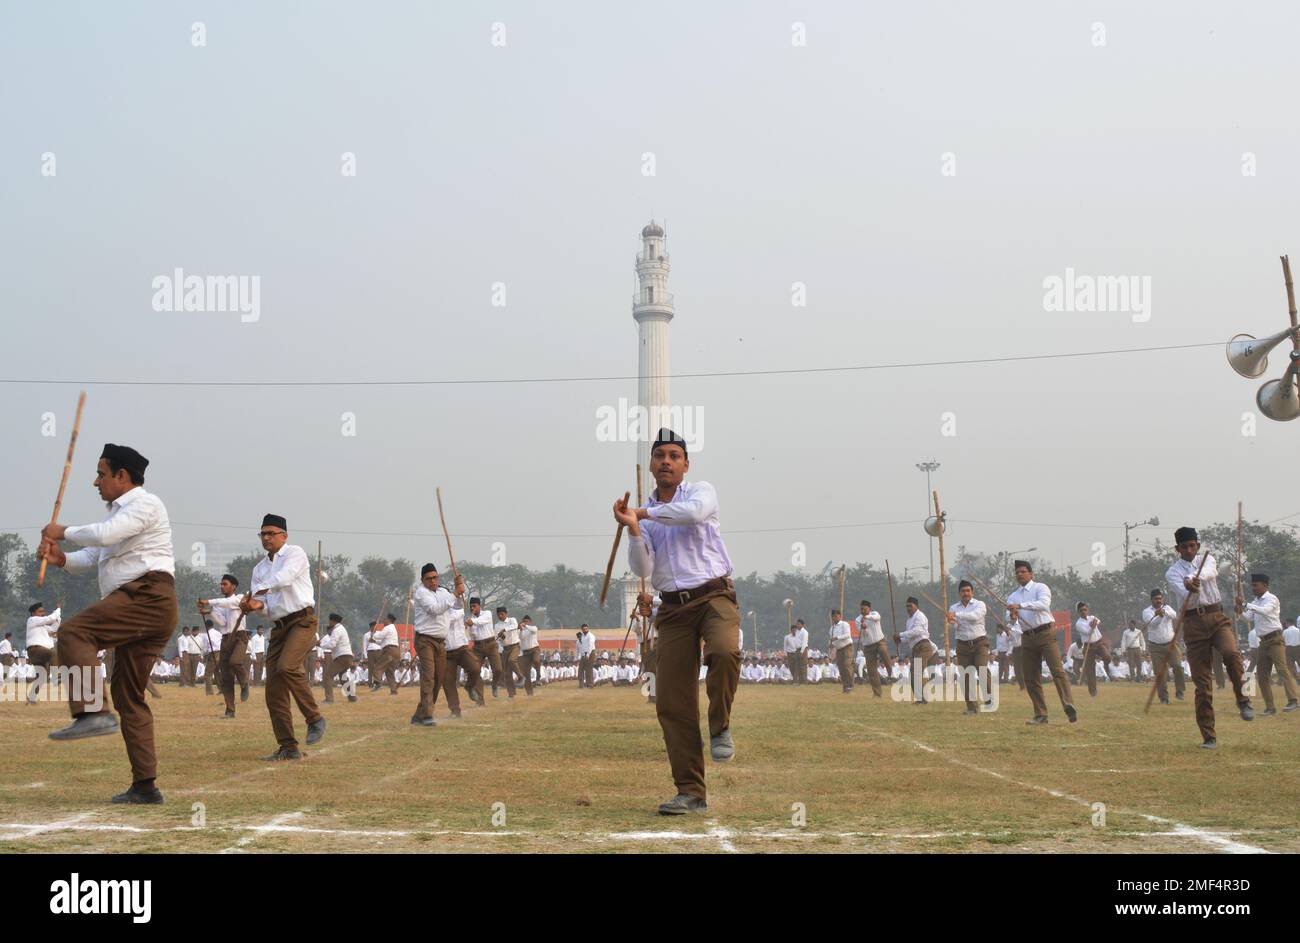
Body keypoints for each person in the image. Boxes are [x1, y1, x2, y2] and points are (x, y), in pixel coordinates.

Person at [36, 443, 179, 804]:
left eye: (101, 474)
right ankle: (146, 787)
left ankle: (92, 712)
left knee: (73, 632)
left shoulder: (146, 504)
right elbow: (95, 554)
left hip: (146, 597)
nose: (95, 482)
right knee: (129, 697)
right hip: (142, 603)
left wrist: (61, 529)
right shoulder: (119, 515)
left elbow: (102, 535)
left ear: (122, 476)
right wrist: (60, 557)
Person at [616, 427, 741, 816]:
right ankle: (691, 791)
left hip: (713, 596)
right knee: (672, 702)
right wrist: (635, 529)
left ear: (686, 465)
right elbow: (643, 567)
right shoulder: (646, 517)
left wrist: (642, 512)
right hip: (672, 609)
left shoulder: (702, 492)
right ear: (652, 465)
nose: (666, 462)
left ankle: (719, 724)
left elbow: (693, 515)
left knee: (724, 651)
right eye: (660, 456)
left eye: (674, 456)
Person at [240, 514, 326, 761]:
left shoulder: (295, 554)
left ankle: (315, 718)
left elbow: (283, 579)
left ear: (284, 536)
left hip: (302, 620)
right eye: (262, 534)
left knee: (287, 666)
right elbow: (266, 605)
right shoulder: (259, 569)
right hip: (279, 627)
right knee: (274, 691)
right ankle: (288, 747)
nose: (266, 538)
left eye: (271, 533)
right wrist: (254, 606)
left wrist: (256, 592)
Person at [1164, 526, 1252, 749]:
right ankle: (1208, 736)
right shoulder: (1172, 572)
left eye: (1192, 545)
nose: (1189, 550)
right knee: (1202, 684)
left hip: (1216, 616)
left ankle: (1243, 699)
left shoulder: (1208, 560)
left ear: (1198, 546)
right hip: (1193, 624)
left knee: (1232, 653)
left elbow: (1209, 573)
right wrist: (1187, 585)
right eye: (1184, 547)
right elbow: (1183, 592)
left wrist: (1194, 578)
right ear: (1178, 549)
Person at [1006, 561, 1076, 725]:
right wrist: (1012, 617)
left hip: (1045, 633)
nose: (1020, 574)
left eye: (1023, 571)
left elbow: (1044, 604)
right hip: (1027, 637)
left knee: (1057, 670)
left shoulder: (1040, 588)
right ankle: (1040, 714)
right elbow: (1009, 620)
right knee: (1031, 677)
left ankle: (1068, 704)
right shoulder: (1012, 596)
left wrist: (1021, 606)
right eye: (1017, 572)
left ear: (1031, 574)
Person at [410, 563, 466, 725]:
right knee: (429, 677)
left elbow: (459, 606)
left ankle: (419, 715)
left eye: (435, 577)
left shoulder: (443, 592)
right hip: (425, 640)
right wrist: (455, 592)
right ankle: (427, 715)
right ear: (422, 580)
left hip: (441, 641)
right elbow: (435, 609)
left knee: (438, 678)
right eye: (429, 579)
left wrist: (460, 589)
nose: (433, 581)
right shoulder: (421, 593)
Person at [1239, 573, 1298, 715]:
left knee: (1282, 669)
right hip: (1263, 642)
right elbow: (1249, 618)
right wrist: (1239, 611)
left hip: (1275, 639)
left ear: (1265, 585)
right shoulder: (1256, 601)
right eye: (1252, 585)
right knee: (1262, 675)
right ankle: (1270, 707)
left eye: (1255, 585)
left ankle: (1293, 701)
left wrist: (1245, 604)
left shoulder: (1272, 599)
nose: (1253, 588)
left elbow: (1265, 611)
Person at [198, 574, 252, 718]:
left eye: (225, 584)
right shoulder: (222, 605)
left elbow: (227, 603)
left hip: (240, 636)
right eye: (221, 584)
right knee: (226, 677)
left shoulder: (239, 598)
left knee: (235, 662)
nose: (222, 586)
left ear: (233, 586)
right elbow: (222, 623)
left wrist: (208, 602)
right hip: (226, 638)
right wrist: (209, 613)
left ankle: (244, 682)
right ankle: (230, 709)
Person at [947, 580, 990, 714]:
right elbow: (952, 626)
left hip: (979, 643)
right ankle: (971, 707)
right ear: (959, 593)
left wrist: (957, 615)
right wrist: (952, 622)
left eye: (968, 591)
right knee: (965, 675)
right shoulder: (953, 607)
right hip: (962, 644)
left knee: (982, 669)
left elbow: (975, 617)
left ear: (972, 592)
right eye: (963, 591)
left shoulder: (980, 605)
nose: (965, 593)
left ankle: (989, 697)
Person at [1143, 590, 1185, 704]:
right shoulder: (1146, 611)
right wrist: (1159, 616)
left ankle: (1180, 691)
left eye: (1160, 598)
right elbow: (1153, 624)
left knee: (1178, 666)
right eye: (1156, 599)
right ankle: (1164, 698)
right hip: (1155, 646)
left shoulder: (1167, 607)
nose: (1159, 601)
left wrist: (1163, 612)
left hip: (1171, 643)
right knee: (1160, 673)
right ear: (1151, 600)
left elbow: (1174, 615)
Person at [896, 597, 934, 703]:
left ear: (916, 606)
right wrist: (900, 639)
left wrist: (900, 634)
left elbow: (918, 631)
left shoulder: (920, 616)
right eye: (907, 606)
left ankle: (922, 699)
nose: (908, 608)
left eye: (910, 606)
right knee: (913, 673)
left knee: (916, 672)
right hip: (915, 648)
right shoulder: (909, 620)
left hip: (923, 647)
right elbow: (910, 637)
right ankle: (920, 698)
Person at [24, 602, 60, 704]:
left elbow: (53, 628)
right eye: (40, 611)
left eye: (43, 611)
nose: (43, 613)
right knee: (53, 654)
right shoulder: (32, 620)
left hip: (39, 652)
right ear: (33, 613)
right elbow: (50, 619)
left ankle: (31, 698)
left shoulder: (42, 626)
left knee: (42, 677)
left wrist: (57, 614)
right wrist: (58, 611)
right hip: (35, 650)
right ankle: (57, 676)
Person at [320, 613, 357, 704]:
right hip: (347, 657)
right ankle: (352, 698)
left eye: (329, 621)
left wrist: (320, 644)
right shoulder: (341, 629)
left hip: (342, 657)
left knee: (328, 676)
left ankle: (329, 699)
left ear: (332, 621)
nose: (329, 623)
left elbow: (332, 645)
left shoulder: (337, 630)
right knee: (343, 677)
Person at [827, 609, 855, 693]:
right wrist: (831, 644)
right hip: (838, 649)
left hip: (847, 647)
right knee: (841, 668)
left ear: (840, 616)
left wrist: (837, 637)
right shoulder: (831, 629)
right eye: (833, 616)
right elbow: (831, 640)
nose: (835, 618)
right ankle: (845, 686)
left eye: (836, 616)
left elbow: (847, 635)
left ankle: (850, 685)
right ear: (831, 617)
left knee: (847, 665)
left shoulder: (844, 624)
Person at [518, 615, 542, 696]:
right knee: (525, 673)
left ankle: (538, 676)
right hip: (525, 652)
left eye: (527, 621)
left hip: (534, 649)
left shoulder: (533, 628)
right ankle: (529, 692)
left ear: (530, 622)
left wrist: (526, 625)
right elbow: (520, 637)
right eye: (524, 621)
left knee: (536, 660)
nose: (525, 622)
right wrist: (521, 629)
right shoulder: (522, 631)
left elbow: (534, 630)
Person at [576, 624, 597, 689]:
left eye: (586, 629)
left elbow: (590, 646)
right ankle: (581, 684)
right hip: (583, 654)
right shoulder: (581, 637)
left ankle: (590, 684)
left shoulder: (591, 636)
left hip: (590, 653)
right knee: (580, 669)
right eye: (584, 629)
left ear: (588, 628)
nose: (585, 630)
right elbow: (579, 648)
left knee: (589, 669)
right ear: (582, 629)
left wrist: (588, 654)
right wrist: (577, 657)